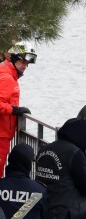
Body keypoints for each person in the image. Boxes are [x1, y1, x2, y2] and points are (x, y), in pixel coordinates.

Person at [0, 43, 37, 176]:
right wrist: (14, 110)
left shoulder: (4, 71)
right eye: (22, 62)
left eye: (27, 63)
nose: (25, 66)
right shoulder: (7, 78)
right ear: (14, 59)